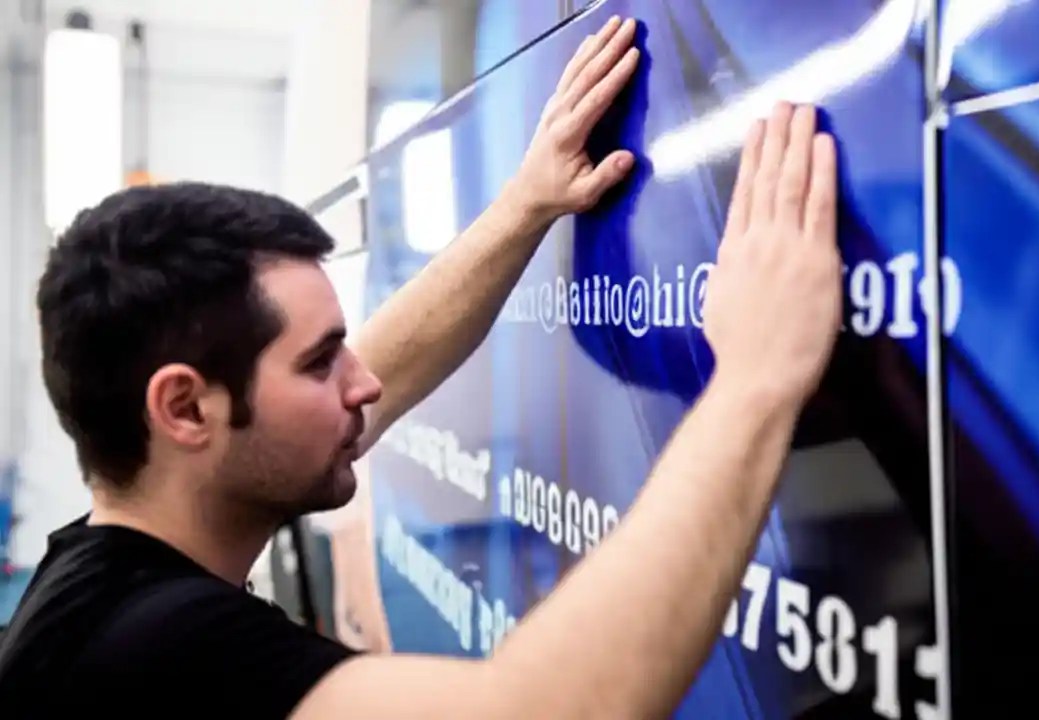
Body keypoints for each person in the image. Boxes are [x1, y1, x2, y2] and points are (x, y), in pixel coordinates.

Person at [0, 14, 840, 719]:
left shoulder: (107, 565)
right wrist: (757, 377)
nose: (360, 385)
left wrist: (526, 203)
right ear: (185, 410)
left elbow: (376, 371)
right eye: (320, 361)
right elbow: (551, 710)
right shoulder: (149, 648)